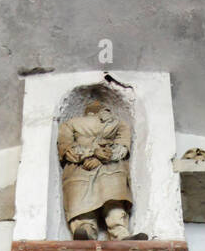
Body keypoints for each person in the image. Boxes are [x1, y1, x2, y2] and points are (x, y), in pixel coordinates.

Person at [57, 101, 147, 241]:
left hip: (87, 167)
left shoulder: (71, 123)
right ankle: (115, 233)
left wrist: (93, 155)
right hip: (102, 166)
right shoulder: (119, 124)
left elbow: (68, 149)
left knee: (96, 202)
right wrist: (98, 154)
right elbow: (121, 148)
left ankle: (107, 233)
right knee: (110, 202)